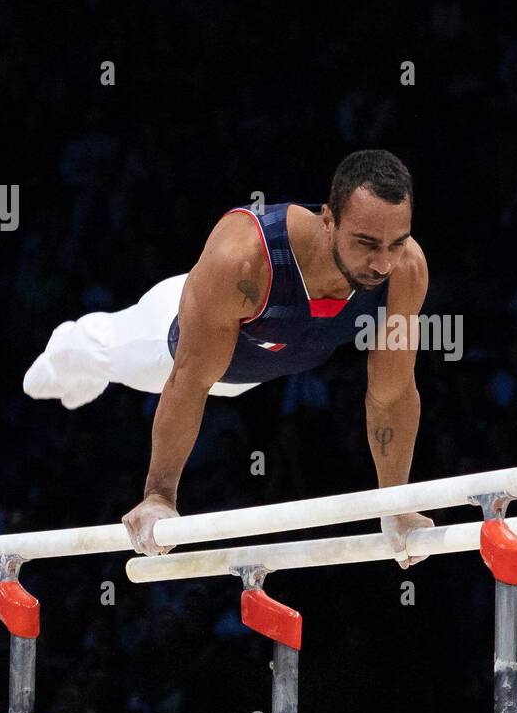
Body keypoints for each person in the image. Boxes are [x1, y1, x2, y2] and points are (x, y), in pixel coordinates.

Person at [23, 150, 433, 564]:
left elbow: (392, 393)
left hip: (245, 372)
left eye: (397, 243)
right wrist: (159, 495)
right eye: (366, 243)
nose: (383, 263)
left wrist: (395, 505)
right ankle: (66, 348)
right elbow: (189, 381)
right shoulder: (244, 259)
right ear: (328, 219)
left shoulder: (406, 271)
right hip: (168, 346)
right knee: (96, 350)